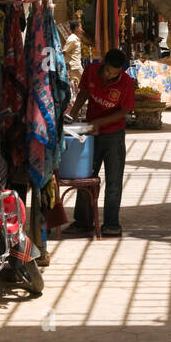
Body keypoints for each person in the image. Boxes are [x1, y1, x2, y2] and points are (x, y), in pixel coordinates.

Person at [65, 48, 135, 237]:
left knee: (114, 180)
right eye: (108, 71)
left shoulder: (126, 83)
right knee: (85, 177)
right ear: (103, 63)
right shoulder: (90, 71)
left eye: (115, 73)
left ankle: (112, 223)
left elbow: (123, 111)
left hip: (114, 135)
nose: (111, 75)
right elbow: (83, 93)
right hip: (91, 135)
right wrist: (72, 115)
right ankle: (82, 221)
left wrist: (99, 123)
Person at [63, 15, 84, 90]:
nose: (81, 29)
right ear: (76, 28)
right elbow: (64, 51)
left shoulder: (75, 38)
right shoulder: (72, 39)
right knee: (81, 86)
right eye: (80, 27)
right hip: (75, 67)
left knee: (78, 87)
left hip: (76, 66)